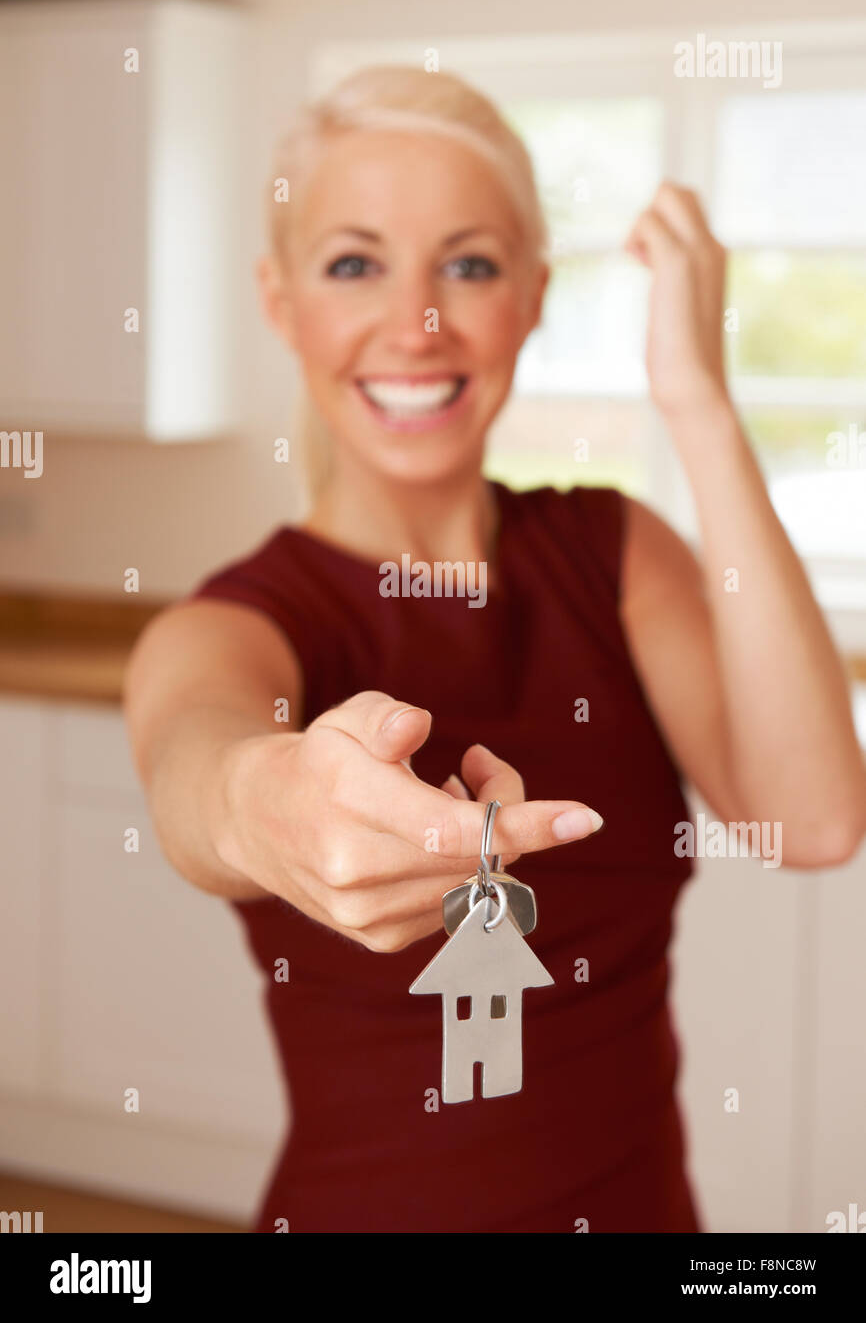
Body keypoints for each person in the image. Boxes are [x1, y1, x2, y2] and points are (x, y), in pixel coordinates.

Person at [123, 65, 866, 1234]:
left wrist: (696, 401)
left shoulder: (612, 554)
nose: (418, 322)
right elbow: (195, 772)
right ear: (282, 305)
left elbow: (816, 816)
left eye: (467, 265)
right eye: (354, 263)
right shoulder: (237, 621)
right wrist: (266, 798)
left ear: (531, 297)